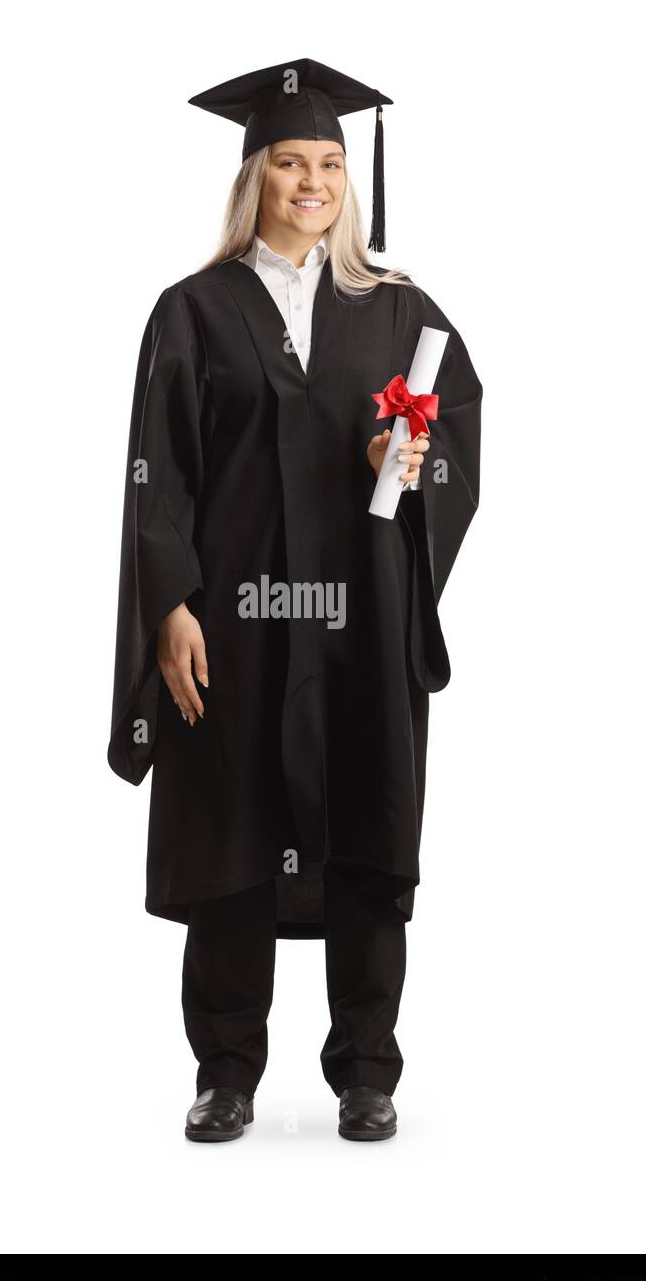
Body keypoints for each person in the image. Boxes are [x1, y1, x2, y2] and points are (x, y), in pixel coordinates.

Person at [108, 58, 483, 1142]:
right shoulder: (192, 310)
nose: (310, 181)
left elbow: (450, 431)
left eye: (327, 162)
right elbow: (157, 470)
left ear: (345, 179)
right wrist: (169, 602)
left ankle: (366, 1069)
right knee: (230, 830)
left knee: (366, 827)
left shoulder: (396, 305)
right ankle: (224, 1069)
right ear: (253, 178)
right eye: (287, 163)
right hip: (234, 619)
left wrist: (408, 461)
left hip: (361, 613)